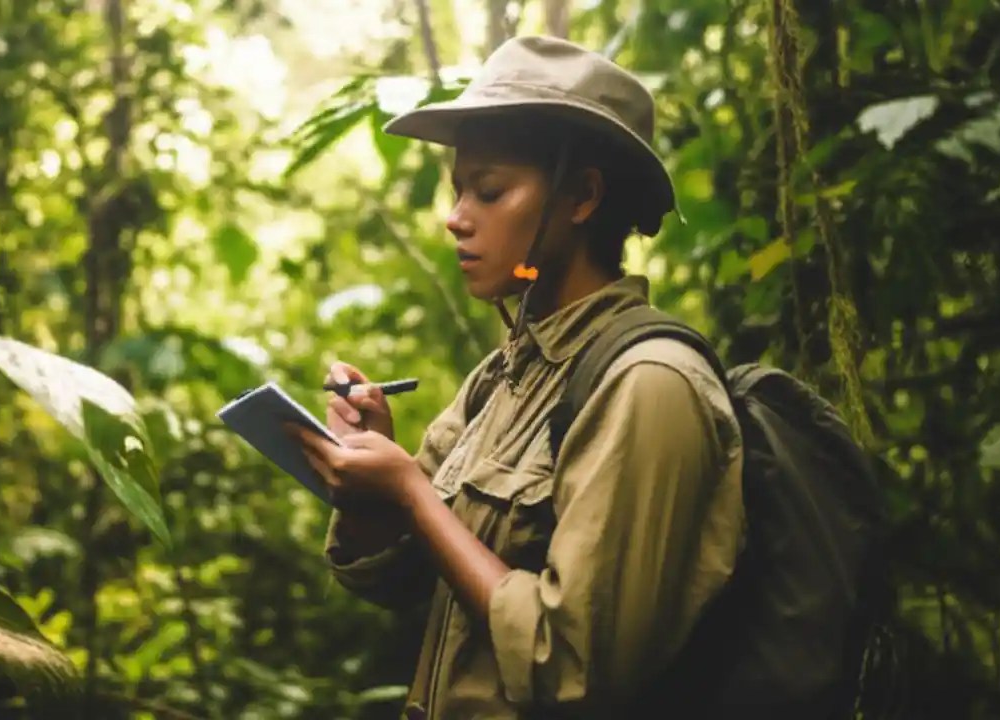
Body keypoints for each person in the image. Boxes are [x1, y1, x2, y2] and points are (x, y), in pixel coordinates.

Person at [289, 36, 744, 720]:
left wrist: (411, 493)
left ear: (582, 196)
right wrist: (369, 479)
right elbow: (396, 577)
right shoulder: (508, 374)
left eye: (490, 190)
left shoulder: (649, 385)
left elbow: (577, 668)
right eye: (458, 189)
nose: (456, 217)